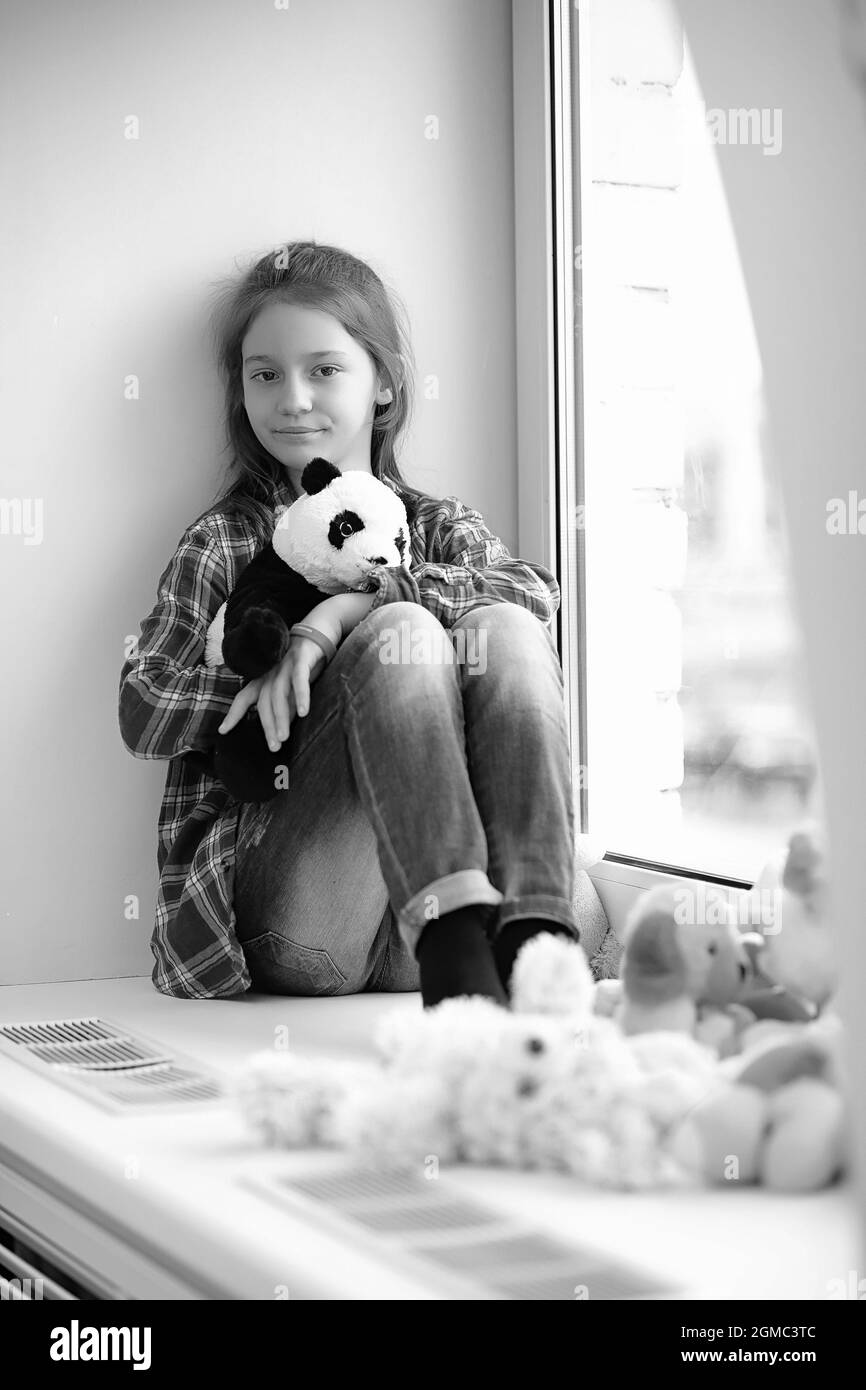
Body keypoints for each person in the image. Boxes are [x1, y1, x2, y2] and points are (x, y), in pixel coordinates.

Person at [118, 240, 580, 1007]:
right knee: (405, 634)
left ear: (385, 386)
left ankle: (532, 940)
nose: (292, 398)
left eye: (324, 370)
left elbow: (533, 596)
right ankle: (472, 944)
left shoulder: (434, 524)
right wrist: (291, 685)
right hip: (297, 927)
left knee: (495, 628)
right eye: (265, 375)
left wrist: (341, 612)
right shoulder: (228, 539)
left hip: (420, 944)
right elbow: (144, 706)